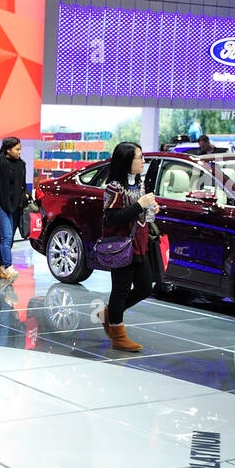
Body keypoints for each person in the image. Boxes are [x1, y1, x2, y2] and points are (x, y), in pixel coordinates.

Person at [99, 141, 159, 352]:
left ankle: (108, 314)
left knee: (144, 287)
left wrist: (150, 208)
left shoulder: (139, 184)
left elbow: (140, 212)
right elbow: (111, 217)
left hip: (140, 243)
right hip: (121, 245)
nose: (143, 161)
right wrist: (138, 206)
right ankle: (118, 334)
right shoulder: (114, 187)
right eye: (139, 157)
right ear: (127, 161)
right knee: (121, 290)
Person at [0, 136, 27, 281]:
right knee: (7, 237)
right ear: (8, 149)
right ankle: (9, 267)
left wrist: (25, 196)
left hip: (16, 206)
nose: (19, 152)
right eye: (17, 149)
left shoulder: (21, 164)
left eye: (20, 149)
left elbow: (23, 186)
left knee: (3, 238)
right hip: (1, 206)